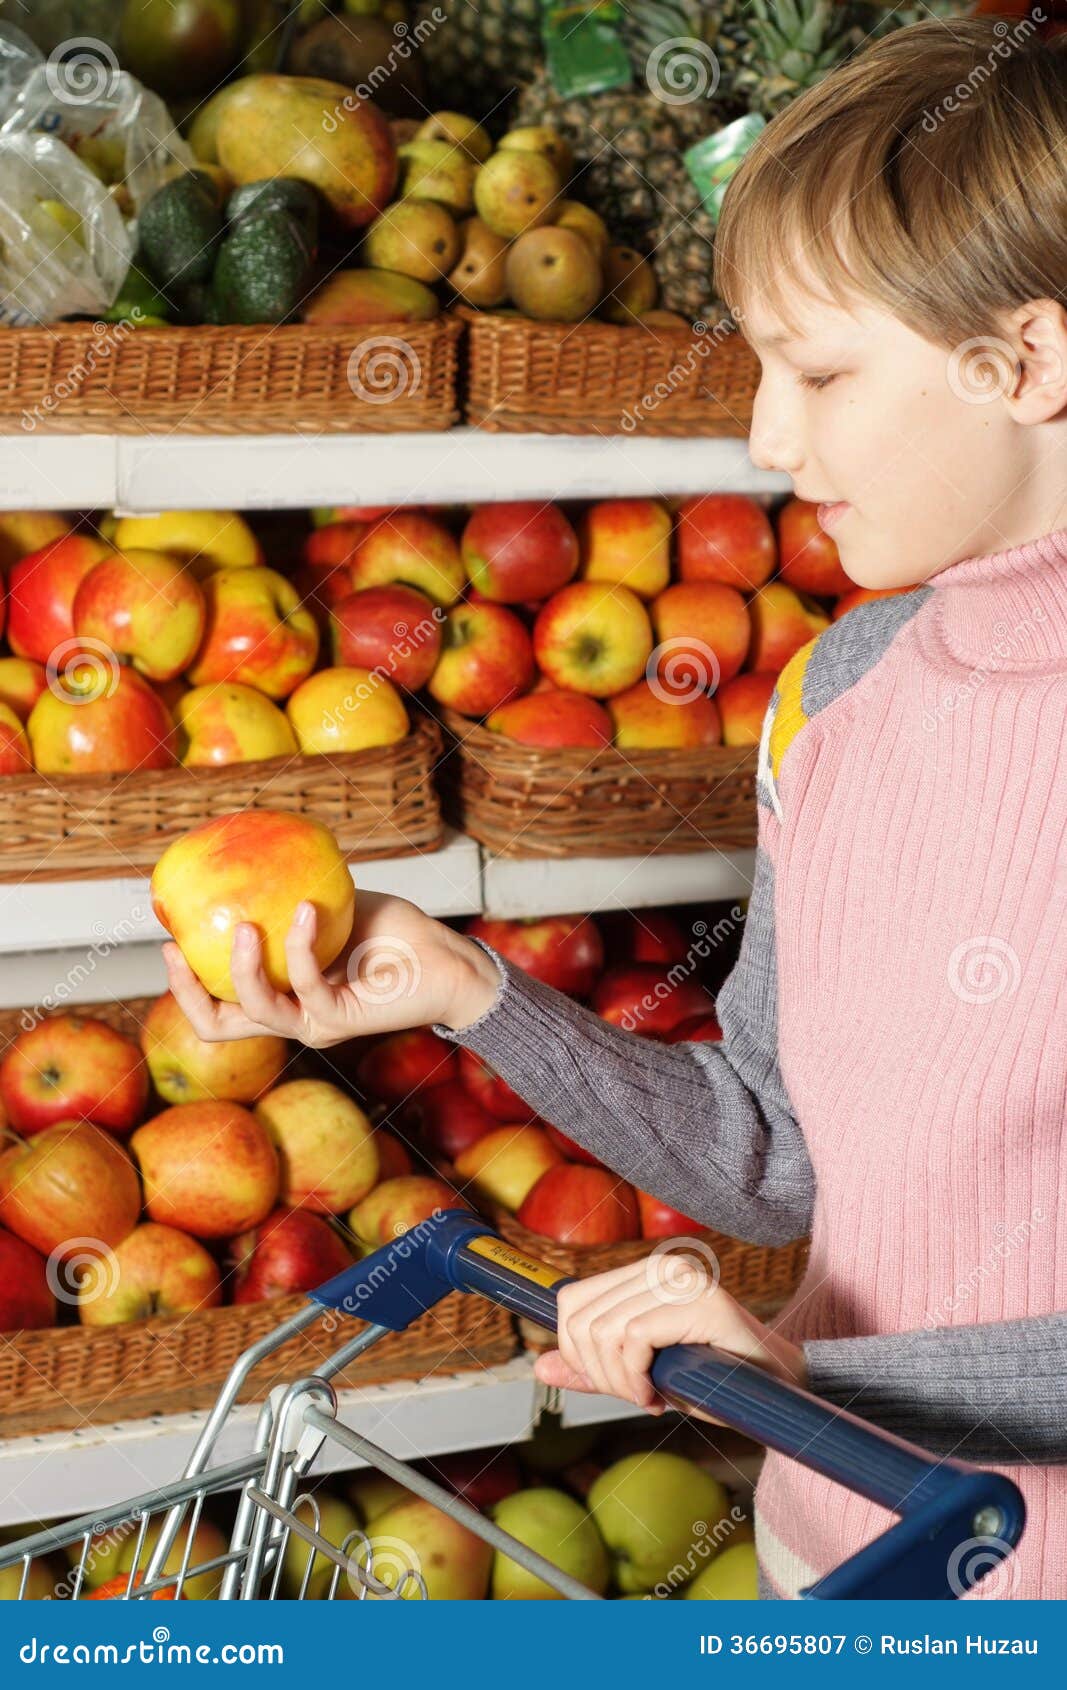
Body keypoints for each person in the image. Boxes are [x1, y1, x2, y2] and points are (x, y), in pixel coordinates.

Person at [165, 19, 1067, 1601]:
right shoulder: (840, 691)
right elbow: (780, 1154)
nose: (769, 440)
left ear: (1029, 362)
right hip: (823, 1569)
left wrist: (812, 1380)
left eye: (823, 370)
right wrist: (470, 991)